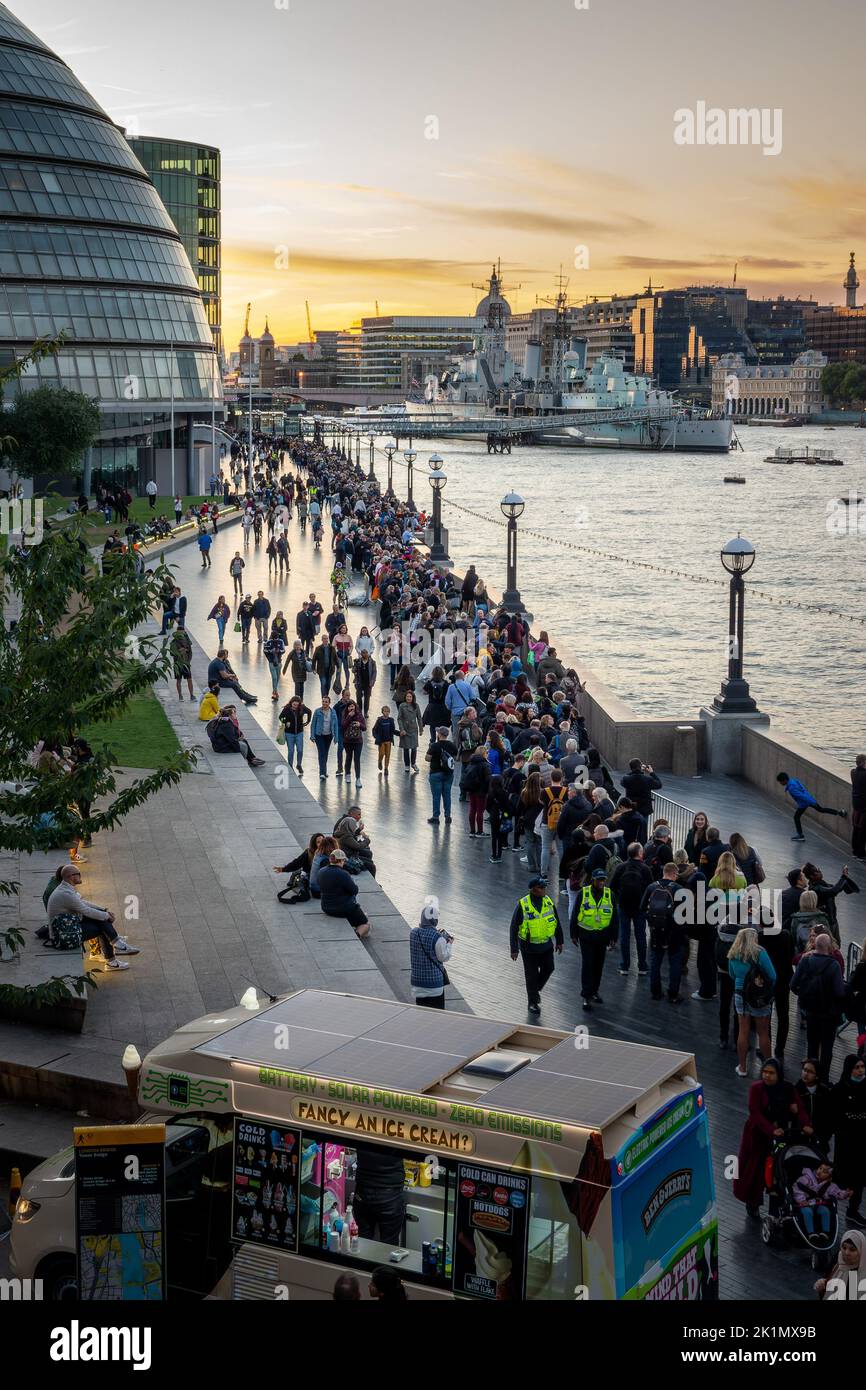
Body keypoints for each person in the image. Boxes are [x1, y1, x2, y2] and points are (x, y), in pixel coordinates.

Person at [733, 1058, 810, 1218]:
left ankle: (775, 1210)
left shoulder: (787, 1088)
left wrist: (806, 1124)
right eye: (765, 1072)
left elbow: (799, 1107)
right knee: (755, 1171)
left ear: (778, 1074)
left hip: (780, 1137)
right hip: (758, 1137)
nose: (767, 1076)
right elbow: (755, 1113)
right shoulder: (757, 1088)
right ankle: (753, 1204)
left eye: (771, 1073)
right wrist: (771, 1129)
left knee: (777, 1174)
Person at [47, 864, 139, 970]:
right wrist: (106, 915)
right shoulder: (66, 894)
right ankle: (113, 954)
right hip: (63, 935)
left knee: (101, 918)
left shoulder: (65, 888)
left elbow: (82, 903)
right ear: (71, 876)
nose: (80, 876)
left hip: (68, 925)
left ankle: (115, 944)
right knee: (102, 926)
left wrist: (104, 910)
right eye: (79, 874)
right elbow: (86, 910)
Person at [791, 933, 846, 1082]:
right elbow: (839, 992)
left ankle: (810, 1076)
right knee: (827, 1048)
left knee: (812, 1046)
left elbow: (793, 985)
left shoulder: (805, 961)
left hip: (811, 1012)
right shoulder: (833, 965)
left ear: (815, 945)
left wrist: (804, 996)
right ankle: (824, 1079)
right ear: (829, 947)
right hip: (829, 1014)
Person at [509, 876, 564, 1016]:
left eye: (544, 887)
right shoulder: (523, 905)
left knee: (549, 968)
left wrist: (560, 940)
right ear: (533, 890)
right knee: (531, 975)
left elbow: (556, 921)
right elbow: (513, 927)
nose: (544, 890)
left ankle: (535, 989)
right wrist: (514, 949)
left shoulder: (548, 901)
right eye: (541, 888)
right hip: (529, 948)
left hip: (546, 945)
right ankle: (532, 1002)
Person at [728, 926, 777, 1077]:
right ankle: (769, 1068)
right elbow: (773, 975)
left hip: (740, 994)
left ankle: (742, 1067)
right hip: (758, 997)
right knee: (763, 1033)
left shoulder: (733, 954)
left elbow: (732, 974)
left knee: (743, 1031)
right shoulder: (760, 953)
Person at [570, 867, 616, 1012]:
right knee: (588, 965)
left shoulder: (610, 895)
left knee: (598, 966)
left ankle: (595, 991)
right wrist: (573, 934)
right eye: (599, 880)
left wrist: (614, 936)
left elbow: (615, 918)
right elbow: (575, 913)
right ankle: (586, 995)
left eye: (603, 880)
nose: (602, 882)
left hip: (602, 937)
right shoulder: (583, 893)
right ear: (593, 880)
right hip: (586, 936)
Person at [641, 862, 686, 1003]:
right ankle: (673, 994)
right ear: (674, 873)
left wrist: (651, 922)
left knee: (656, 960)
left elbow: (642, 907)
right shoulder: (679, 889)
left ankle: (655, 992)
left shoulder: (651, 887)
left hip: (656, 930)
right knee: (675, 962)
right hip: (675, 931)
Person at [831, 1055, 866, 1226]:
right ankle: (831, 1209)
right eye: (856, 1067)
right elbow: (834, 1114)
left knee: (859, 1177)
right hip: (845, 1140)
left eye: (862, 1067)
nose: (860, 1070)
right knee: (841, 1176)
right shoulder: (840, 1089)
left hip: (862, 1138)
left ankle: (853, 1211)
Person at [610, 842, 653, 977]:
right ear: (640, 854)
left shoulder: (621, 867)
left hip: (623, 905)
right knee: (641, 936)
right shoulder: (645, 869)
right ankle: (642, 966)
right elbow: (650, 889)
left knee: (625, 935)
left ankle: (624, 966)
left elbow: (612, 886)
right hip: (640, 907)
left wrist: (620, 896)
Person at [777, 771, 847, 841]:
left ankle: (800, 835)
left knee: (796, 817)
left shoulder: (791, 788)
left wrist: (812, 802)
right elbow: (803, 789)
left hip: (805, 803)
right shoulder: (793, 781)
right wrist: (811, 799)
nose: (780, 783)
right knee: (821, 810)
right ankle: (840, 813)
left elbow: (802, 796)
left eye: (780, 782)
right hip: (808, 799)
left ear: (784, 780)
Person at [410, 895, 453, 1008]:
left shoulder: (413, 933)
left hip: (418, 985)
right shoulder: (438, 938)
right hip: (434, 987)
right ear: (435, 920)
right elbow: (444, 957)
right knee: (438, 1017)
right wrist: (449, 944)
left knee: (422, 1015)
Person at [318, 849, 371, 939]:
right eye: (343, 860)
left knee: (360, 915)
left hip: (326, 907)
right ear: (341, 860)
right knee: (366, 924)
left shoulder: (321, 871)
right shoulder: (343, 874)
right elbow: (354, 890)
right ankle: (357, 935)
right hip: (344, 908)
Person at [793, 1160, 851, 1238]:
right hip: (804, 1204)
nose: (820, 1172)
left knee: (825, 1211)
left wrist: (845, 1194)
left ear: (830, 1176)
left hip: (818, 1204)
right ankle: (811, 1233)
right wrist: (802, 1200)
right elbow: (797, 1189)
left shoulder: (828, 1185)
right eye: (820, 1168)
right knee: (808, 1212)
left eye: (825, 1171)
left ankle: (825, 1232)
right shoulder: (806, 1178)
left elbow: (837, 1192)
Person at [795, 1058, 835, 1153]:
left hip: (819, 1142)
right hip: (798, 1141)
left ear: (817, 1076)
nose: (805, 1074)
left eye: (810, 1072)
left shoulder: (825, 1093)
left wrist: (822, 1137)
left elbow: (830, 1119)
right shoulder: (795, 1091)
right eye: (804, 1070)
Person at [815, 1230, 866, 1299]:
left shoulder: (857, 1273)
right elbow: (826, 1279)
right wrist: (822, 1283)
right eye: (844, 1247)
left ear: (861, 1251)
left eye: (852, 1249)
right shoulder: (838, 1259)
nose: (846, 1253)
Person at [427, 726, 458, 826]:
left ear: (439, 734)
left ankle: (436, 817)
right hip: (448, 774)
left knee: (436, 796)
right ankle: (447, 816)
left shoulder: (435, 746)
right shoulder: (452, 745)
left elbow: (427, 758)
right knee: (447, 795)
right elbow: (456, 757)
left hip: (436, 773)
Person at [333, 806, 376, 876]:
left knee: (368, 853)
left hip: (346, 849)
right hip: (348, 855)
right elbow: (356, 845)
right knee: (370, 862)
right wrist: (367, 840)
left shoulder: (345, 823)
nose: (360, 817)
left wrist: (359, 830)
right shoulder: (348, 823)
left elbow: (350, 836)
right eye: (358, 814)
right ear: (352, 814)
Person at [620, 758, 661, 822]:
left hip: (631, 808)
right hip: (644, 809)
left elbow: (623, 781)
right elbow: (659, 784)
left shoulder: (626, 779)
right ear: (640, 766)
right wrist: (651, 773)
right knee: (643, 828)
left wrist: (634, 771)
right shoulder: (647, 779)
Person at [462, 747, 491, 838]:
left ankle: (472, 831)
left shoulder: (472, 761)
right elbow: (488, 779)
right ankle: (480, 831)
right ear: (483, 753)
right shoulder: (485, 764)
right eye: (486, 752)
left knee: (472, 809)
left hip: (471, 789)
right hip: (481, 791)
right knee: (480, 811)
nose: (488, 753)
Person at [278, 696, 311, 776]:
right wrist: (286, 722)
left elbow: (309, 711)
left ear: (299, 704)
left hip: (299, 733)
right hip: (289, 733)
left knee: (300, 750)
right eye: (294, 705)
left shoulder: (302, 708)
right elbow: (280, 717)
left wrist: (307, 722)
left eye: (296, 705)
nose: (295, 706)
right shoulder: (287, 709)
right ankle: (290, 766)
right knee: (291, 751)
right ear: (291, 703)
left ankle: (299, 765)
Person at [486, 773, 513, 864]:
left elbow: (487, 806)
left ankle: (494, 855)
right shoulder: (505, 793)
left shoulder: (491, 793)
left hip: (494, 815)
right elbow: (508, 806)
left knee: (494, 836)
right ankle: (499, 855)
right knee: (500, 836)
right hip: (502, 816)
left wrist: (491, 812)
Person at [341, 700, 366, 789]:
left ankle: (358, 778)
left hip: (358, 741)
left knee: (357, 759)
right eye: (349, 706)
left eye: (352, 706)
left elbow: (364, 728)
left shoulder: (359, 715)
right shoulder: (345, 714)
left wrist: (360, 724)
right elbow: (343, 726)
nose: (351, 708)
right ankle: (347, 774)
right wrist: (348, 717)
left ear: (355, 706)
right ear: (347, 708)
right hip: (347, 741)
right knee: (348, 757)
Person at [311, 695, 338, 780]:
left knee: (325, 753)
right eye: (323, 701)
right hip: (319, 735)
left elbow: (336, 725)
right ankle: (322, 773)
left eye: (326, 702)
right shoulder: (317, 711)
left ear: (329, 703)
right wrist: (312, 735)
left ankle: (324, 771)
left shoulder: (333, 712)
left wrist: (336, 736)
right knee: (321, 752)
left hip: (329, 735)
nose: (324, 703)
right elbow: (313, 724)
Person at [397, 689, 422, 772]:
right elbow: (399, 718)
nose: (408, 698)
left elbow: (419, 718)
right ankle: (407, 765)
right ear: (405, 697)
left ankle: (413, 763)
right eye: (407, 696)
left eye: (410, 697)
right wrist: (401, 729)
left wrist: (421, 729)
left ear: (413, 698)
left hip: (414, 729)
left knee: (414, 748)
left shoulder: (416, 706)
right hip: (405, 730)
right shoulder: (402, 706)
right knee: (406, 748)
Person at [169, 625, 194, 701]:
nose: (181, 633)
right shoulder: (174, 642)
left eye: (182, 632)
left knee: (189, 679)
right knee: (179, 680)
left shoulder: (186, 640)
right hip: (178, 664)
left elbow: (189, 647)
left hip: (186, 663)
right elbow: (172, 653)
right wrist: (181, 651)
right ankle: (180, 696)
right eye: (180, 632)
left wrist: (186, 636)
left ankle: (191, 695)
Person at [372, 705, 396, 776]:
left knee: (388, 755)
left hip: (388, 740)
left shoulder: (391, 720)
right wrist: (376, 737)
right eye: (385, 711)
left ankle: (386, 768)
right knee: (382, 753)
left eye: (388, 711)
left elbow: (393, 730)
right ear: (382, 712)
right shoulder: (379, 720)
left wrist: (399, 733)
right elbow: (374, 729)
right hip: (381, 741)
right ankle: (379, 761)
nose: (386, 713)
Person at [263, 631, 287, 702]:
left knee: (278, 677)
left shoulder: (281, 642)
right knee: (274, 677)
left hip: (279, 662)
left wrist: (278, 650)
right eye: (274, 639)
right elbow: (265, 650)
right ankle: (275, 692)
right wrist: (271, 651)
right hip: (271, 662)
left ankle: (275, 690)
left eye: (276, 638)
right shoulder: (268, 642)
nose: (275, 640)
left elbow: (283, 650)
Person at [851, 753, 866, 861]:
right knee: (863, 831)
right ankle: (861, 853)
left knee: (856, 829)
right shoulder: (865, 775)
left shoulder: (853, 772)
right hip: (864, 806)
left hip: (856, 805)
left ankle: (855, 851)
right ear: (864, 763)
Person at [312, 634, 337, 698]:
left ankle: (326, 696)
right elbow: (314, 659)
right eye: (324, 639)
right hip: (321, 670)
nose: (325, 640)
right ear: (322, 640)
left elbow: (335, 658)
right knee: (323, 684)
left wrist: (338, 667)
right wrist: (313, 669)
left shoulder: (332, 648)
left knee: (328, 685)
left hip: (330, 670)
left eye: (326, 638)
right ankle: (324, 698)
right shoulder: (318, 648)